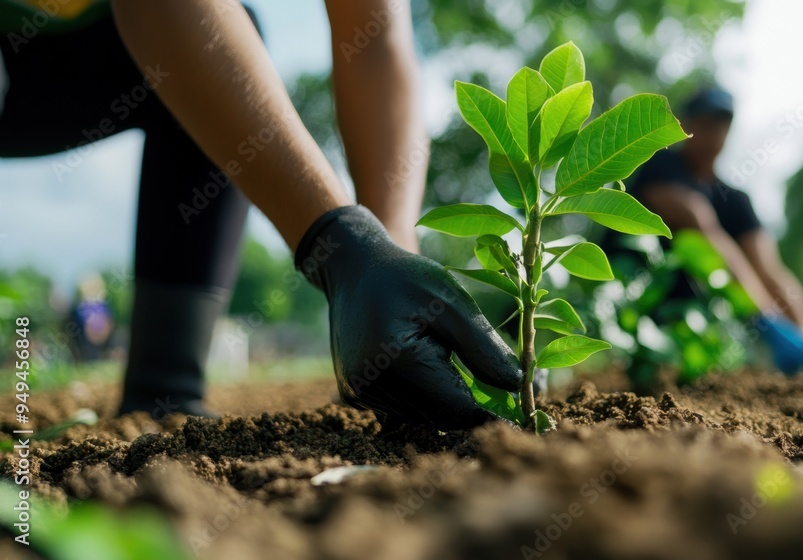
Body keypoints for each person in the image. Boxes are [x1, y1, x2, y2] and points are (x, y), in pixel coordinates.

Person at [0, 0, 520, 429]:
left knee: (222, 60)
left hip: (75, 51)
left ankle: (164, 399)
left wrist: (388, 264)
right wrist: (340, 249)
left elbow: (375, 34)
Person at [625, 86, 803, 375]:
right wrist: (766, 322)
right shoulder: (661, 167)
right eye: (704, 124)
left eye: (721, 125)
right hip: (641, 313)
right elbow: (699, 225)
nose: (713, 134)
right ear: (684, 125)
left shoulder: (735, 200)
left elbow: (769, 269)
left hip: (700, 324)